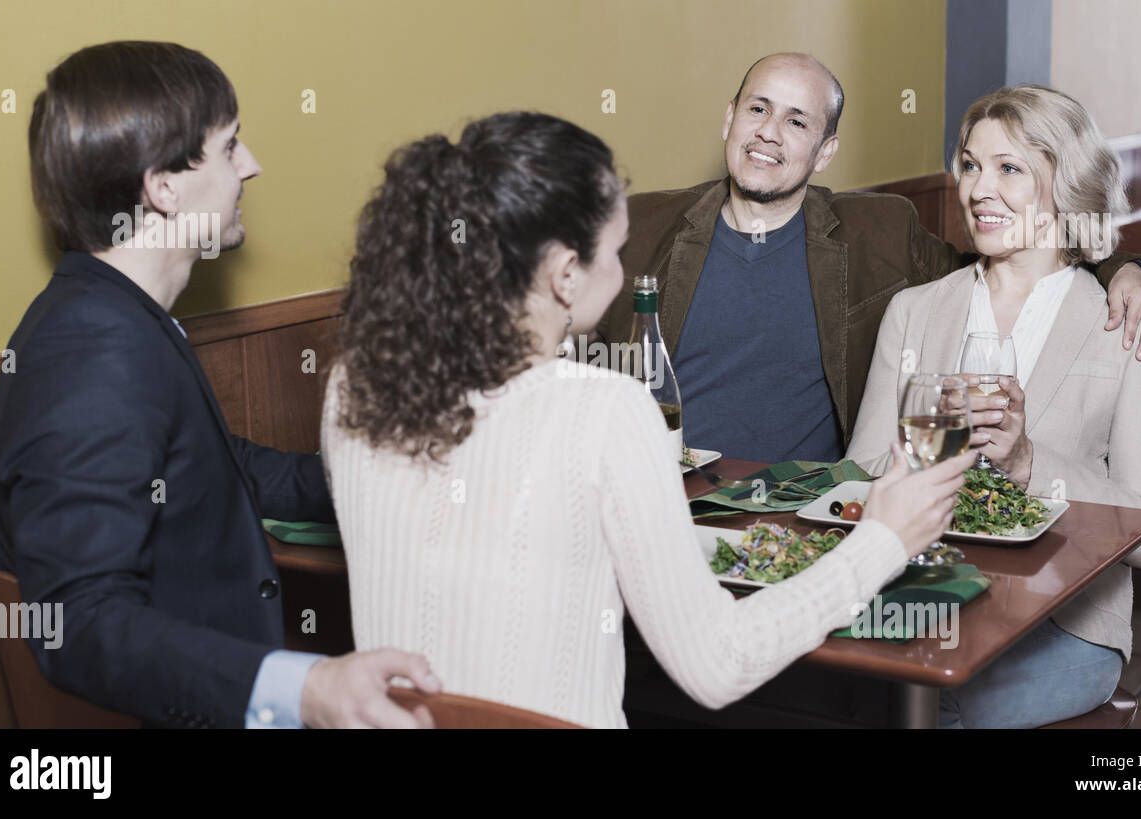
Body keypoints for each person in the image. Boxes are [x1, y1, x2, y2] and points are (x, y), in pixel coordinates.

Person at [320, 111, 979, 728]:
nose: (625, 268)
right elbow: (719, 663)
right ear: (563, 274)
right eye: (616, 251)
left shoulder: (355, 385)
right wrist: (885, 537)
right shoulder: (604, 408)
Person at [0, 41, 439, 729]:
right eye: (229, 147)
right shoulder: (94, 349)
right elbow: (78, 622)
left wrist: (398, 469)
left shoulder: (115, 317)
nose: (251, 166)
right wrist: (305, 685)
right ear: (162, 186)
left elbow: (226, 472)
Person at [598, 52, 1141, 465]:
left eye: (797, 122)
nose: (769, 134)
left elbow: (1011, 261)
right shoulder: (640, 224)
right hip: (657, 493)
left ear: (826, 151)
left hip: (802, 517)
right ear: (729, 119)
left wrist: (1121, 269)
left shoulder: (879, 231)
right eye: (758, 110)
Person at [845, 84, 1141, 728]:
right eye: (971, 165)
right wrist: (911, 469)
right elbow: (859, 474)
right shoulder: (914, 312)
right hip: (921, 601)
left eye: (1010, 168)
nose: (977, 189)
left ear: (1067, 184)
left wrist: (1031, 464)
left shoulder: (1125, 323)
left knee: (939, 699)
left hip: (1065, 622)